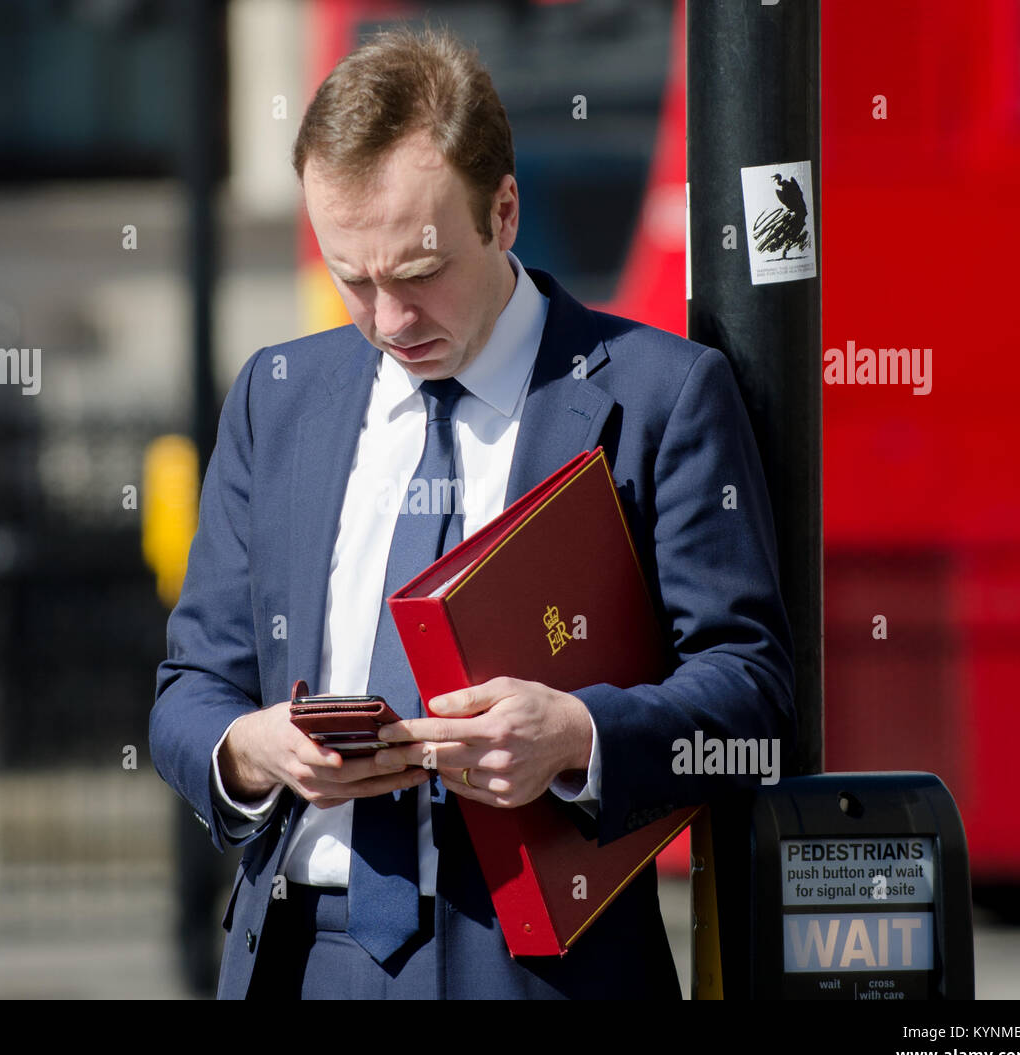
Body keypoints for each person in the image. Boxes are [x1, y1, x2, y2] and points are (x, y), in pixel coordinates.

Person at [149, 26, 795, 1000]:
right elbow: (190, 688)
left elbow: (752, 697)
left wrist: (578, 735)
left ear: (503, 212)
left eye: (418, 272)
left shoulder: (662, 396)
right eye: (351, 278)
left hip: (539, 965)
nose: (389, 320)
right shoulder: (276, 397)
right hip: (305, 957)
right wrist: (251, 749)